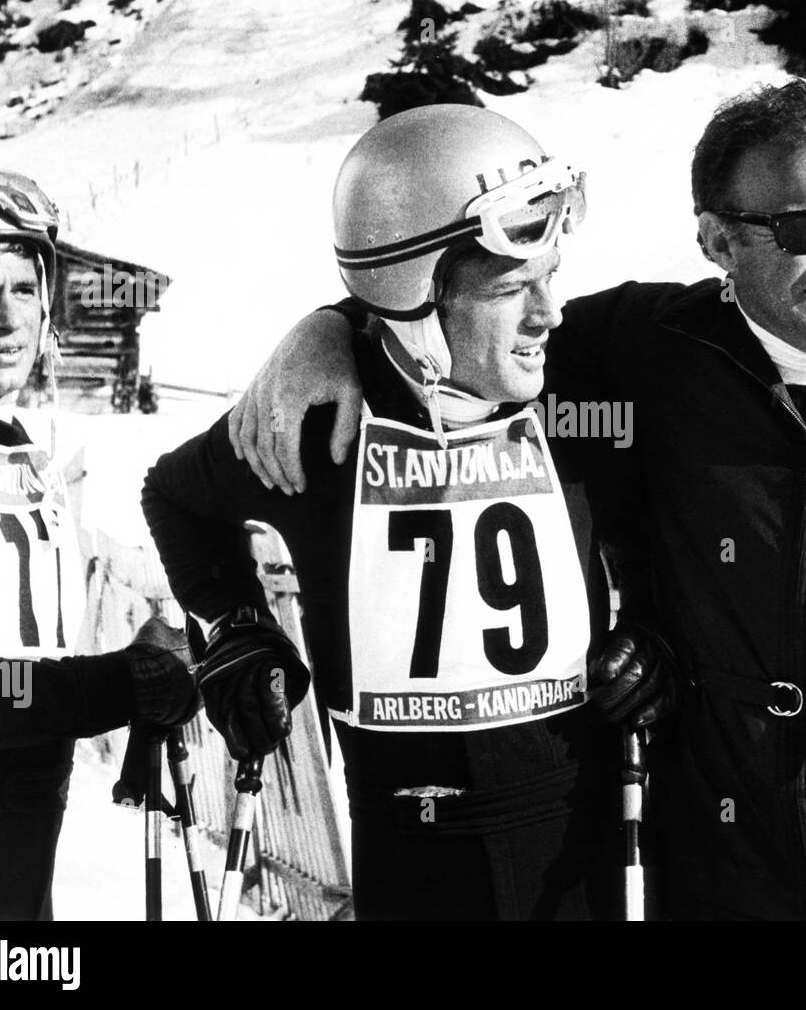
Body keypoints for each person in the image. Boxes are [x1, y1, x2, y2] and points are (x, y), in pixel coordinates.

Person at [229, 81, 806, 922]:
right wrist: (335, 328)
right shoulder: (650, 353)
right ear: (718, 239)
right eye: (805, 229)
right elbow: (468, 308)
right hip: (721, 875)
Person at [141, 106, 675, 921]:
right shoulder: (325, 425)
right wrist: (238, 625)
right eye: (510, 289)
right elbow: (175, 497)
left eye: (551, 273)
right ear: (417, 300)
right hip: (408, 857)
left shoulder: (584, 389)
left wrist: (651, 624)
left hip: (580, 841)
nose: (548, 314)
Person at [0, 169, 198, 921]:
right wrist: (112, 688)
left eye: (24, 290)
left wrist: (139, 702)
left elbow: (24, 664)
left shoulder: (14, 446)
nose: (8, 319)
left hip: (18, 853)